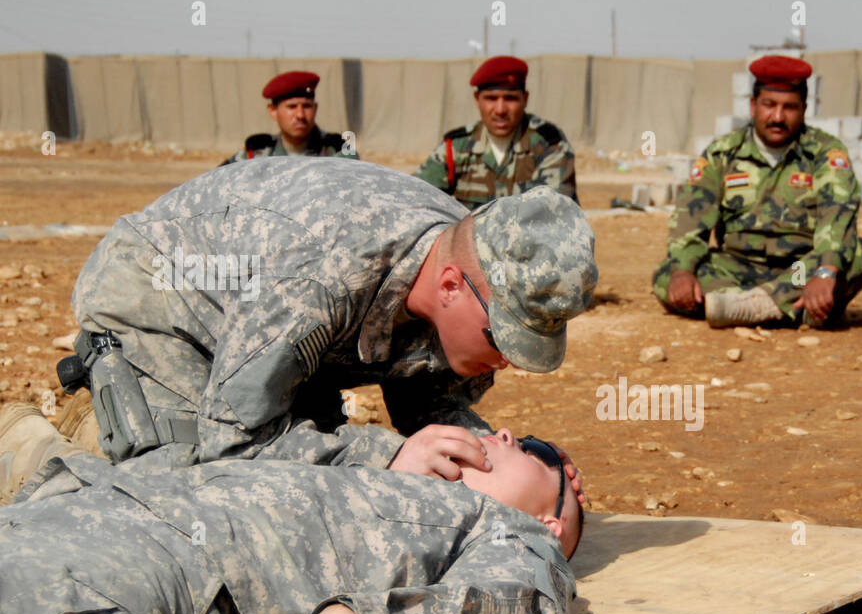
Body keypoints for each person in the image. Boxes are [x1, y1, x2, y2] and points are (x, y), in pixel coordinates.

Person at [0, 411, 583, 614]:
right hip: (86, 503)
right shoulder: (391, 467)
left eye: (536, 449)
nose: (505, 433)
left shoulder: (510, 532)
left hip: (164, 575)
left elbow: (507, 602)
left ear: (551, 523)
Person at [40, 159, 594, 503]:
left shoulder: (462, 268)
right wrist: (386, 459)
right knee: (186, 490)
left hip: (262, 325)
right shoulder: (322, 270)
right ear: (450, 287)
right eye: (501, 340)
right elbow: (233, 441)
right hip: (161, 293)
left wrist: (522, 461)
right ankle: (39, 442)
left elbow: (431, 408)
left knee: (317, 467)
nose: (506, 363)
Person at [651, 55, 862, 328]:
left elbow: (837, 216)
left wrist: (825, 272)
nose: (778, 117)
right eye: (769, 105)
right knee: (668, 273)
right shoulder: (723, 153)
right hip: (735, 268)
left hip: (800, 268)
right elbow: (691, 218)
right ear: (753, 105)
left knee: (860, 255)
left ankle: (755, 306)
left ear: (804, 109)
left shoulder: (825, 152)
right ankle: (790, 310)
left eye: (789, 107)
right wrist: (683, 271)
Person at [414, 56, 578, 209]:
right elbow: (415, 197)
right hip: (469, 239)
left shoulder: (549, 144)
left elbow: (553, 212)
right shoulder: (456, 148)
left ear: (525, 99)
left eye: (510, 98)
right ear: (477, 99)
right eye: (491, 98)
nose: (500, 110)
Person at [220, 71, 359, 166]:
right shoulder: (255, 153)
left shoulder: (339, 152)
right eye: (292, 107)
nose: (300, 115)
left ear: (315, 109)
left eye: (306, 106)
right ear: (273, 111)